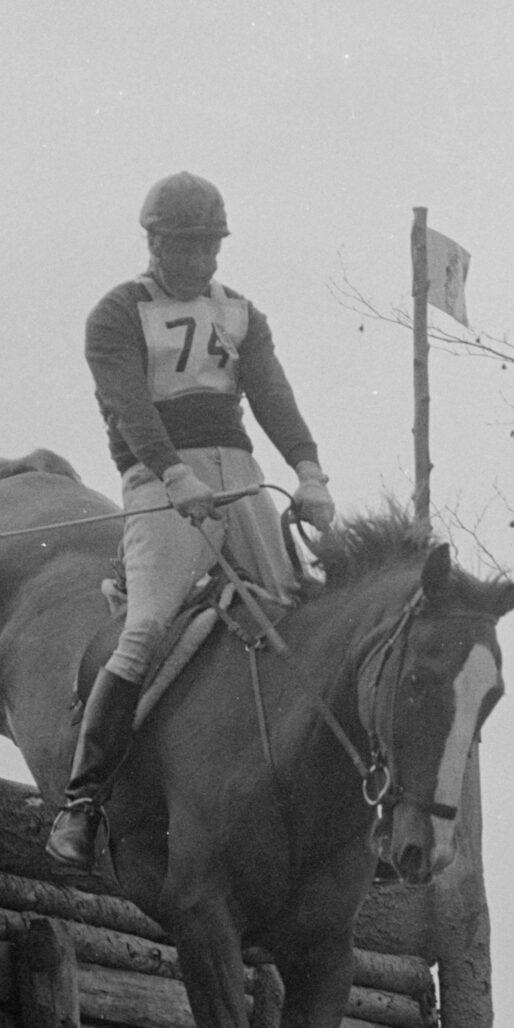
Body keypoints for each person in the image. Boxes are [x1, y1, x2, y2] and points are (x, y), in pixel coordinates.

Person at [47, 172, 336, 870]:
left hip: (237, 473)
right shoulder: (117, 313)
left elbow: (271, 395)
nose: (200, 262)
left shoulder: (240, 313)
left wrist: (308, 471)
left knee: (295, 618)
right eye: (186, 248)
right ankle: (81, 804)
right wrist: (173, 475)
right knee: (145, 628)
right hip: (158, 474)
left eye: (209, 248)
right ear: (153, 243)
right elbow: (128, 406)